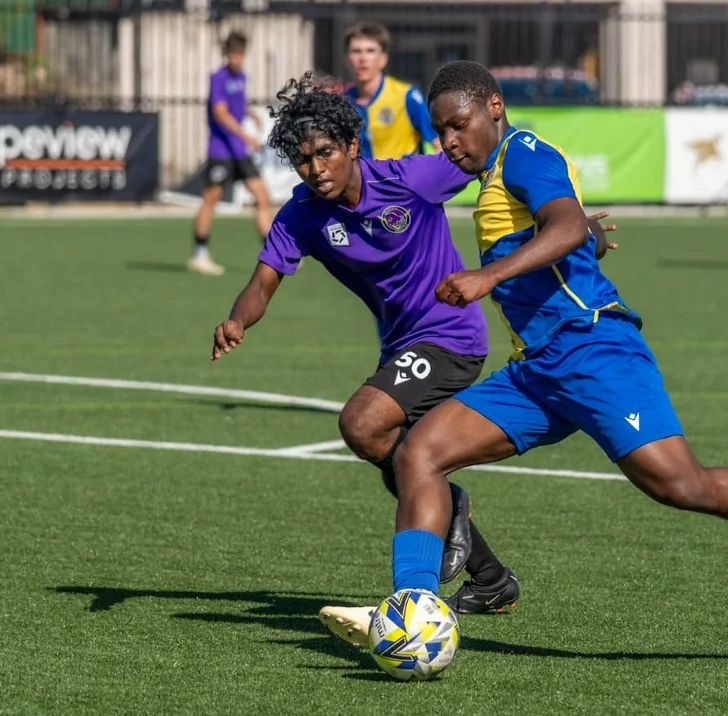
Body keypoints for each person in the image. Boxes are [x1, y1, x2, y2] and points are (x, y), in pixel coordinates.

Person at [373, 61, 728, 626]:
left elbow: (566, 225)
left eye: (458, 124)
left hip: (594, 350)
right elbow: (568, 235)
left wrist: (490, 275)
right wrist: (574, 243)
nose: (449, 141)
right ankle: (413, 607)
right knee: (418, 454)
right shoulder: (494, 178)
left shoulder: (522, 151)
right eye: (441, 131)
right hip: (538, 371)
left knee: (680, 484)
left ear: (493, 107)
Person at [209, 73, 518, 640]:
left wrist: (566, 221)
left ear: (352, 147)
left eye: (325, 152)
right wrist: (236, 319)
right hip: (402, 346)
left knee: (362, 422)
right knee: (398, 462)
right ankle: (490, 575)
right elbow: (261, 283)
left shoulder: (411, 180)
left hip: (451, 335)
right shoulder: (301, 215)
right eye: (302, 160)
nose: (315, 168)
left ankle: (447, 517)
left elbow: (490, 155)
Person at [191, 31, 272, 276]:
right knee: (211, 200)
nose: (237, 58)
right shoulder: (218, 77)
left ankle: (273, 254)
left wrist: (250, 113)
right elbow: (221, 113)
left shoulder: (242, 77)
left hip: (238, 151)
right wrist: (246, 136)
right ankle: (199, 254)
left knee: (262, 197)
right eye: (233, 53)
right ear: (226, 54)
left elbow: (235, 105)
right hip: (220, 150)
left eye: (240, 54)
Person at [342, 22, 441, 159]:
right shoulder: (342, 103)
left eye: (370, 51)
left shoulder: (406, 96)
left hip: (402, 179)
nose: (362, 59)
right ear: (347, 59)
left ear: (383, 59)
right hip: (361, 180)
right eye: (356, 51)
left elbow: (439, 143)